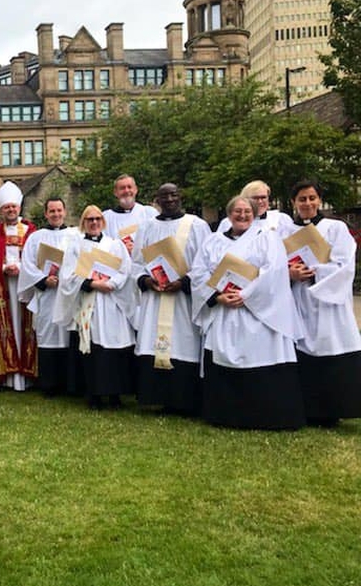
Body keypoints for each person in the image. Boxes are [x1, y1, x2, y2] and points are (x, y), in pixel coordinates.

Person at [190, 195, 305, 430]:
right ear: (228, 214)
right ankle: (225, 415)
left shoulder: (267, 239)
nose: (242, 216)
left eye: (247, 212)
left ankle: (264, 416)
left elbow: (273, 272)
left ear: (254, 215)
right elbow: (198, 274)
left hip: (259, 314)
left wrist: (245, 296)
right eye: (237, 212)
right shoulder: (213, 242)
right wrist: (217, 297)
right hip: (224, 310)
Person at [278, 180, 361, 426]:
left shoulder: (335, 228)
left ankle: (331, 410)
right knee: (301, 350)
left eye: (312, 198)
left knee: (328, 346)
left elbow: (345, 264)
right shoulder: (283, 232)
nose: (307, 203)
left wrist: (314, 273)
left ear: (319, 200)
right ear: (294, 202)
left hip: (327, 301)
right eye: (302, 199)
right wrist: (289, 273)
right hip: (297, 298)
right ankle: (306, 408)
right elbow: (272, 265)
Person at [131, 183, 210, 415]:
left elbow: (206, 263)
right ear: (157, 199)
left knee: (184, 342)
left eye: (174, 194)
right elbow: (136, 263)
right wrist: (146, 281)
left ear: (181, 196)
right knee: (153, 342)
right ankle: (157, 397)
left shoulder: (197, 225)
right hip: (155, 297)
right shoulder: (146, 227)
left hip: (183, 300)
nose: (169, 199)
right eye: (164, 196)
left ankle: (184, 400)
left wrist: (184, 283)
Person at [54, 205, 136, 409]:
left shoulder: (115, 245)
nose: (94, 222)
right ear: (83, 223)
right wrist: (92, 284)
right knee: (93, 349)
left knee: (115, 349)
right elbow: (68, 275)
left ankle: (115, 395)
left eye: (97, 219)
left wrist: (112, 284)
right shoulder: (75, 246)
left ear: (103, 221)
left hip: (112, 301)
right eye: (89, 219)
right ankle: (94, 395)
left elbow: (125, 270)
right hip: (89, 302)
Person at [19, 196, 81, 396]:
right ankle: (49, 385)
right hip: (47, 296)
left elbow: (84, 262)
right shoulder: (36, 237)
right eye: (52, 211)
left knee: (68, 335)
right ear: (46, 214)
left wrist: (67, 278)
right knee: (48, 336)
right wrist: (44, 280)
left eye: (59, 210)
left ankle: (70, 384)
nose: (56, 214)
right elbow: (27, 265)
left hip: (69, 296)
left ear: (65, 211)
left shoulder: (76, 236)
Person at [0, 181, 37, 392]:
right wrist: (4, 267)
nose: (11, 210)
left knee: (27, 328)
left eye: (13, 206)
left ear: (20, 208)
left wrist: (22, 268)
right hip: (4, 288)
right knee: (9, 328)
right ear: (1, 210)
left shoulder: (31, 230)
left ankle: (29, 375)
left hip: (26, 286)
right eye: (7, 207)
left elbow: (37, 259)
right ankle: (10, 376)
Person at [102, 174, 158, 255]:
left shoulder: (149, 213)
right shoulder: (106, 218)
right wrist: (121, 249)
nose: (126, 191)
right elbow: (102, 247)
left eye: (129, 187)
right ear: (115, 192)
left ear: (136, 190)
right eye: (122, 188)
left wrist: (137, 249)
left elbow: (158, 240)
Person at [217, 180, 293, 234]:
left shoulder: (282, 220)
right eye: (255, 198)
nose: (260, 201)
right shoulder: (229, 223)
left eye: (263, 197)